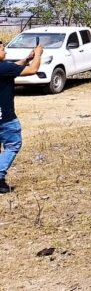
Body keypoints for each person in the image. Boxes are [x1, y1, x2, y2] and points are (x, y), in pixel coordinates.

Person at [0, 39, 45, 193]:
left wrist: (27, 58)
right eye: (2, 49)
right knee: (13, 144)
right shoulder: (3, 67)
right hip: (5, 118)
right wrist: (38, 55)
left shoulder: (4, 67)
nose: (5, 52)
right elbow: (32, 70)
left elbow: (12, 67)